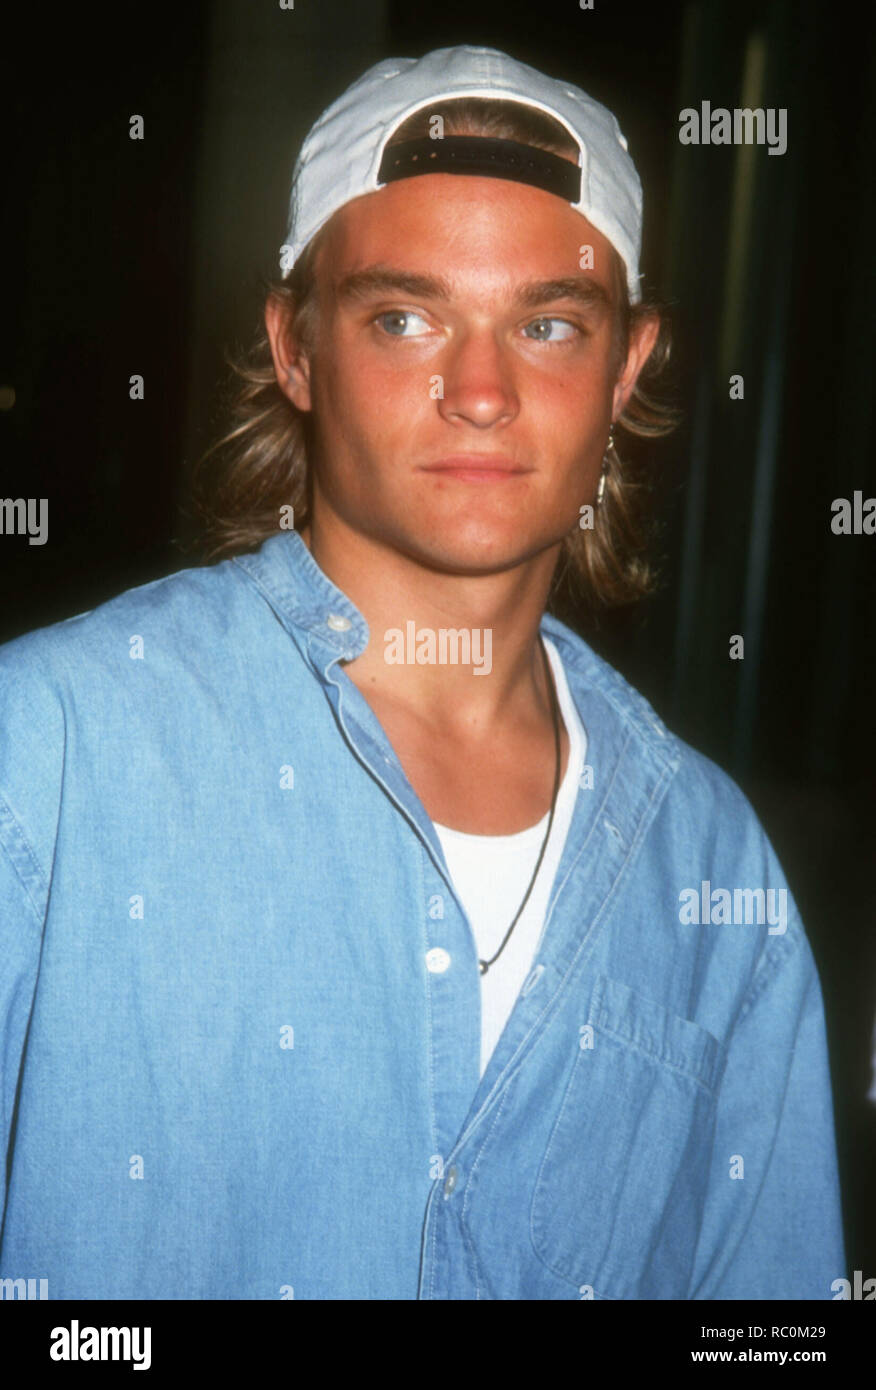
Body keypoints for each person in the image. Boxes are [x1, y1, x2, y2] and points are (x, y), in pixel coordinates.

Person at [0, 45, 844, 1300]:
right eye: (405, 318)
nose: (484, 391)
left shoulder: (714, 868)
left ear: (628, 366)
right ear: (295, 347)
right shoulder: (52, 748)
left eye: (548, 324)